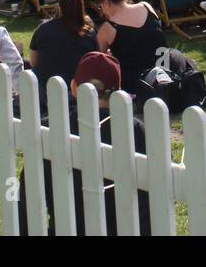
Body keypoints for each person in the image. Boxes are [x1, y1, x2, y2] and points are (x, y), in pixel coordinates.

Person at [17, 51, 152, 236]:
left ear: (74, 87)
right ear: (118, 92)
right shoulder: (137, 131)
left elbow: (27, 197)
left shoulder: (49, 129)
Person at [94, 0, 166, 98]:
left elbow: (94, 60)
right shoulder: (146, 6)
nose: (101, 12)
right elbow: (149, 39)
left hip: (134, 83)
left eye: (100, 7)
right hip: (164, 70)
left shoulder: (108, 28)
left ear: (106, 2)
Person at [28, 0, 98, 96]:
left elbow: (33, 62)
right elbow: (95, 64)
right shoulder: (90, 33)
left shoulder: (43, 29)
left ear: (60, 8)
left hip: (44, 91)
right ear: (81, 7)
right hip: (76, 91)